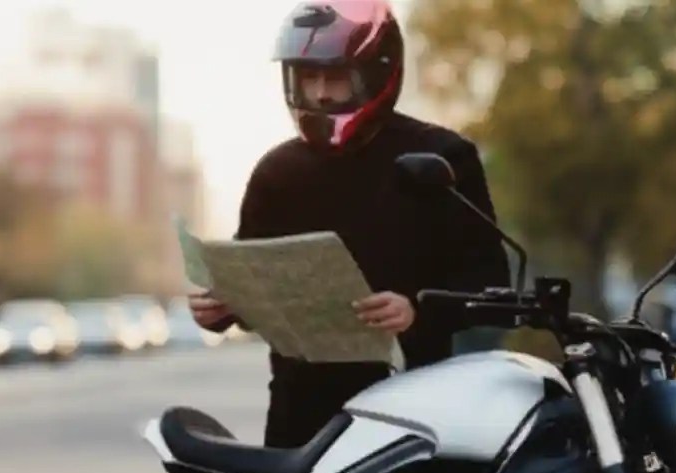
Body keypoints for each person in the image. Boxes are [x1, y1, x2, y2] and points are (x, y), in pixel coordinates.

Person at [191, 0, 511, 450]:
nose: (320, 94)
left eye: (335, 77)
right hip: (300, 422)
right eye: (308, 77)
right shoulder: (275, 172)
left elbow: (491, 280)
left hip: (415, 410)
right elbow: (254, 284)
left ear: (377, 73)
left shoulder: (442, 156)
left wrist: (417, 310)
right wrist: (223, 308)